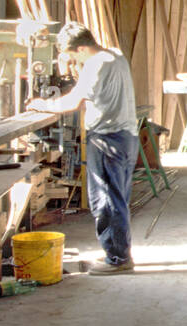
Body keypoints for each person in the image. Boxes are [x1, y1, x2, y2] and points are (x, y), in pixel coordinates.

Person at [28, 22, 138, 275]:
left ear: (79, 49)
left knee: (106, 201)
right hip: (125, 137)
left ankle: (118, 259)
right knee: (117, 199)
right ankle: (119, 253)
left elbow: (71, 102)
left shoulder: (94, 65)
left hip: (107, 139)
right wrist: (74, 65)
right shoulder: (114, 55)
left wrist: (41, 105)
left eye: (71, 55)